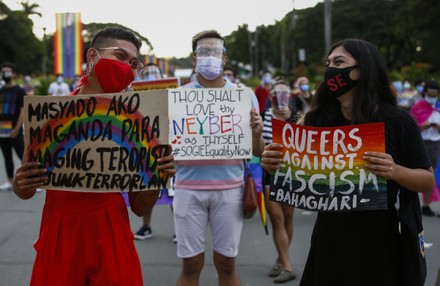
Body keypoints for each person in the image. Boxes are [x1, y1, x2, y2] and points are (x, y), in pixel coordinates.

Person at [261, 39, 434, 286]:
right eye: (328, 64)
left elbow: (427, 181)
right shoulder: (316, 121)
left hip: (379, 244)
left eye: (339, 62)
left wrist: (395, 171)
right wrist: (273, 163)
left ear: (362, 70)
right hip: (328, 241)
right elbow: (291, 172)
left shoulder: (397, 121)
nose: (330, 69)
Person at [12, 27, 176, 286]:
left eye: (134, 63)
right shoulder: (50, 114)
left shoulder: (139, 122)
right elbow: (25, 190)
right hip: (60, 232)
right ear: (93, 56)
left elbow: (139, 207)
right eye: (121, 56)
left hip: (111, 231)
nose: (128, 67)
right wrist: (20, 182)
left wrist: (157, 176)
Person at [173, 29, 265, 286]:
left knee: (227, 263)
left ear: (224, 59)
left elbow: (258, 151)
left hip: (230, 190)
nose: (210, 56)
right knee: (190, 264)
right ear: (194, 59)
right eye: (204, 51)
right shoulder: (178, 98)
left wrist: (256, 132)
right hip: (188, 189)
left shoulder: (244, 96)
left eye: (215, 51)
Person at [133, 62, 176, 242]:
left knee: (173, 190)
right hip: (146, 150)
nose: (151, 76)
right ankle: (146, 226)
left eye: (154, 72)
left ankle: (178, 228)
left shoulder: (172, 96)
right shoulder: (137, 98)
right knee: (148, 188)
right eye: (147, 73)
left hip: (168, 149)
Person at [262, 78, 298, 283]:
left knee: (288, 218)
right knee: (277, 219)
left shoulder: (297, 118)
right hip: (270, 172)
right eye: (277, 94)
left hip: (292, 173)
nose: (281, 97)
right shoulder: (263, 116)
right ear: (271, 96)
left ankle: (280, 260)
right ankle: (287, 265)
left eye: (285, 93)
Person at [410, 79, 440, 217]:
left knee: (430, 174)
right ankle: (408, 203)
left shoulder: (438, 107)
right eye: (430, 95)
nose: (432, 98)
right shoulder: (417, 107)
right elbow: (411, 127)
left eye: (435, 95)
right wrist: (424, 125)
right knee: (411, 172)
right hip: (419, 143)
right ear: (425, 93)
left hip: (434, 144)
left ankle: (426, 205)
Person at [0, 63, 26, 191]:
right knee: (7, 156)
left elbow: (22, 110)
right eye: (3, 72)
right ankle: (10, 181)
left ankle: (30, 182)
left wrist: (17, 128)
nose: (5, 74)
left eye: (8, 72)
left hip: (15, 128)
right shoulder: (1, 91)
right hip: (2, 129)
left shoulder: (19, 90)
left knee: (23, 155)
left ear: (14, 74)